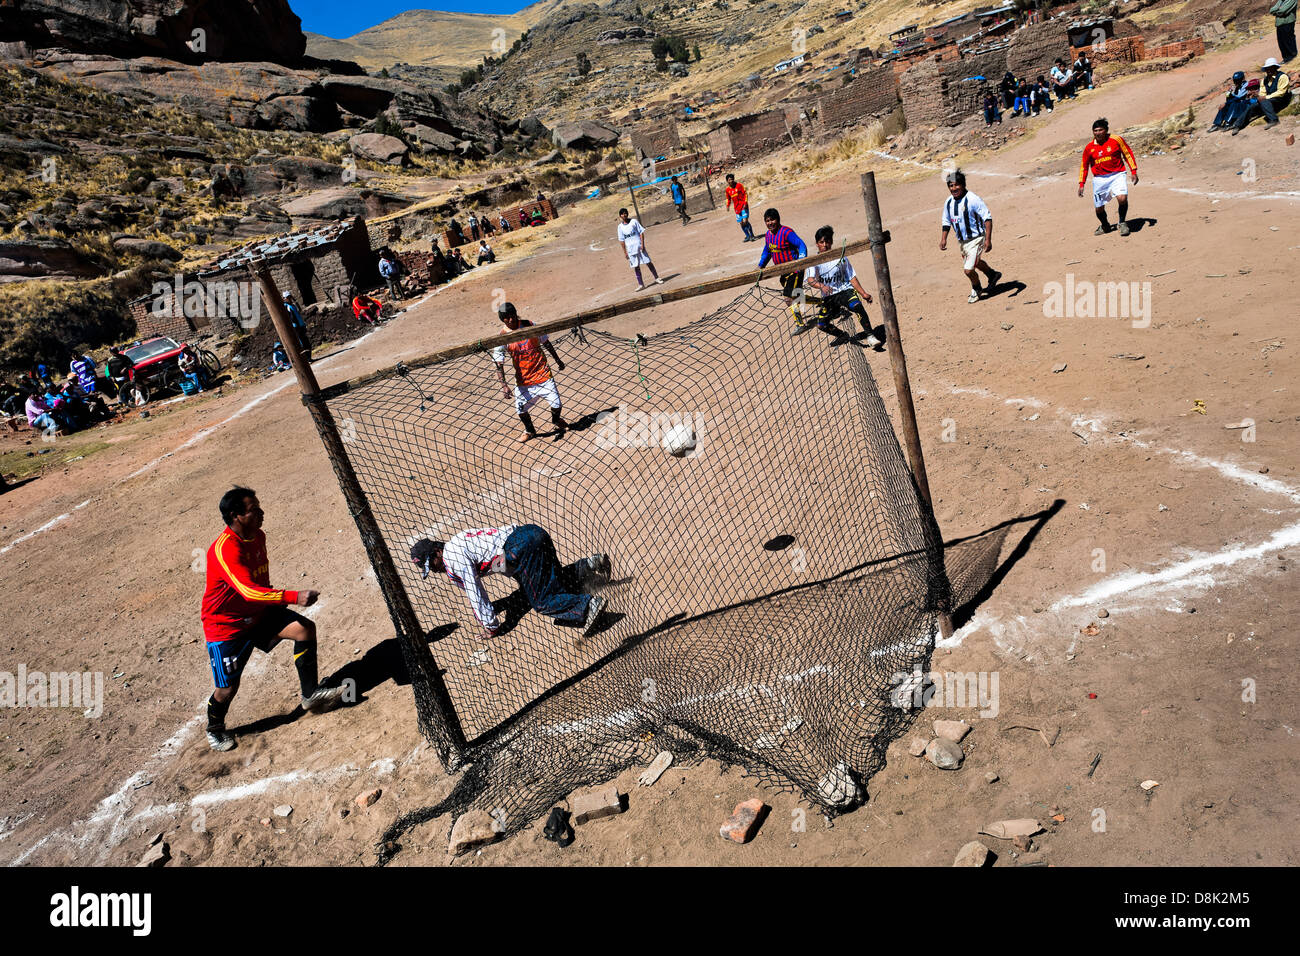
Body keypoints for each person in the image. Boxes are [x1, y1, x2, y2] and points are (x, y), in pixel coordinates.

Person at [200, 487, 345, 751]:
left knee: (304, 629)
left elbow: (260, 583)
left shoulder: (257, 536)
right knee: (227, 689)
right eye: (254, 510)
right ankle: (215, 728)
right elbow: (247, 590)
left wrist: (273, 606)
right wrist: (293, 596)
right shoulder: (225, 550)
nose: (262, 513)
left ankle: (311, 695)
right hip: (227, 628)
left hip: (258, 613)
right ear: (236, 516)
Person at [409, 526, 609, 639]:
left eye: (431, 563)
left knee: (541, 601)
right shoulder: (457, 543)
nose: (434, 570)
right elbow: (496, 559)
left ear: (437, 552)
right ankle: (588, 566)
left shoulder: (453, 559)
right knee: (548, 582)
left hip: (521, 549)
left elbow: (475, 592)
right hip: (531, 534)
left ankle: (589, 606)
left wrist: (492, 626)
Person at [492, 301, 568, 442]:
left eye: (513, 315)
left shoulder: (530, 325)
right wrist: (504, 386)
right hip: (524, 380)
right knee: (520, 410)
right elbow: (498, 363)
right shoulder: (501, 336)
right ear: (503, 320)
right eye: (507, 318)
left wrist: (558, 360)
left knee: (557, 404)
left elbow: (546, 342)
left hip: (543, 374)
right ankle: (530, 430)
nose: (511, 319)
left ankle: (556, 420)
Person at [804, 225, 882, 347]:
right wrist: (822, 286)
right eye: (821, 242)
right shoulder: (814, 262)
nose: (825, 245)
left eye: (827, 241)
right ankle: (842, 335)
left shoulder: (840, 257)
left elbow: (851, 277)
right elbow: (810, 280)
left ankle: (870, 336)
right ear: (817, 244)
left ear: (831, 242)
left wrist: (863, 293)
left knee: (857, 306)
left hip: (844, 291)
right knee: (821, 324)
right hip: (829, 297)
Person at [939, 169, 1002, 303]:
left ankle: (977, 288)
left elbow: (987, 218)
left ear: (963, 185)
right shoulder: (949, 202)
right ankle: (993, 275)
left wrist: (988, 240)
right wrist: (943, 238)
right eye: (951, 186)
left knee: (968, 270)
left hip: (977, 238)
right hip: (962, 242)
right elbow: (946, 221)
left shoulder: (973, 199)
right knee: (976, 263)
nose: (954, 188)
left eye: (957, 185)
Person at [1078, 117, 1138, 235]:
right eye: (1095, 131)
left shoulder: (1116, 139)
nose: (1098, 133)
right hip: (1100, 179)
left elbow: (1127, 154)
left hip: (1117, 174)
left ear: (1106, 130)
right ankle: (1105, 225)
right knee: (1099, 208)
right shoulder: (1089, 148)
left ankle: (1122, 222)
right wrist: (1081, 184)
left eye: (1100, 130)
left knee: (1122, 198)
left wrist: (1134, 171)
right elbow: (1084, 166)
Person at [757, 208, 809, 329]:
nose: (770, 223)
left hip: (795, 271)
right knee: (797, 297)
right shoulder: (768, 235)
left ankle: (800, 324)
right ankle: (822, 303)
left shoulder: (787, 232)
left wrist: (801, 262)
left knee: (788, 297)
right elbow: (767, 251)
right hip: (783, 273)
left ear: (778, 219)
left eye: (772, 219)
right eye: (767, 221)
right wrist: (761, 265)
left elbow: (801, 245)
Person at [1232, 58, 1291, 133]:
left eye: (1270, 68)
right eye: (1267, 68)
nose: (1268, 70)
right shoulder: (1264, 80)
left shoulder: (1282, 77)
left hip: (1282, 100)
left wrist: (1265, 97)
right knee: (1252, 106)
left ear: (1275, 68)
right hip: (1269, 101)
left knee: (1263, 101)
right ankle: (1237, 125)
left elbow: (1281, 92)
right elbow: (1262, 93)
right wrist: (1259, 97)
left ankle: (1274, 120)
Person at [617, 208, 662, 289]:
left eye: (625, 213)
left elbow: (641, 232)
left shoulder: (634, 222)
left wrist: (642, 245)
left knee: (648, 262)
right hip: (631, 250)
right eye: (622, 214)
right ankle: (641, 284)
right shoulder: (620, 227)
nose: (624, 215)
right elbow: (622, 241)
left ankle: (657, 278)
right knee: (636, 266)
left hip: (639, 247)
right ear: (620, 216)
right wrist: (625, 252)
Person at [724, 173, 757, 241]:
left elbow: (745, 194)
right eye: (729, 180)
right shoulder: (727, 190)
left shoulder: (739, 185)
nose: (731, 181)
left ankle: (752, 235)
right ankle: (747, 236)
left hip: (743, 206)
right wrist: (727, 206)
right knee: (741, 223)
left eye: (732, 179)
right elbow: (728, 198)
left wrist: (745, 203)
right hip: (736, 208)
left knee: (745, 221)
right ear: (727, 181)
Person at [280, 292, 312, 361]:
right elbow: (290, 318)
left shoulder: (293, 305)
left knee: (306, 343)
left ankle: (309, 357)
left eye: (289, 297)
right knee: (302, 344)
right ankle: (306, 359)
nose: (289, 299)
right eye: (287, 297)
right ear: (284, 298)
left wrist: (303, 325)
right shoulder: (286, 306)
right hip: (296, 328)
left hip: (301, 326)